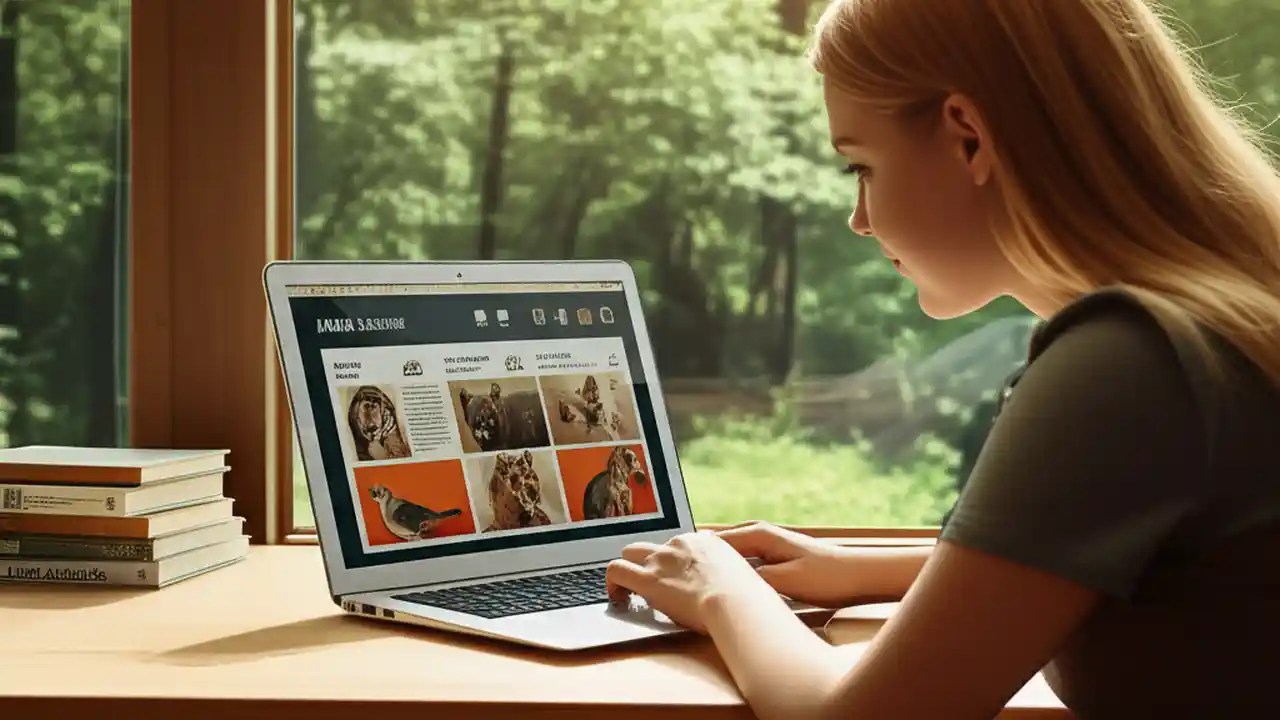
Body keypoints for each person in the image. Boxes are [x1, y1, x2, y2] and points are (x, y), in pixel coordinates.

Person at [604, 1, 1280, 718]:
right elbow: (1155, 566)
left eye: (861, 167)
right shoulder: (1220, 323)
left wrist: (718, 585)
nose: (859, 219)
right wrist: (860, 569)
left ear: (969, 138)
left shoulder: (1131, 364)